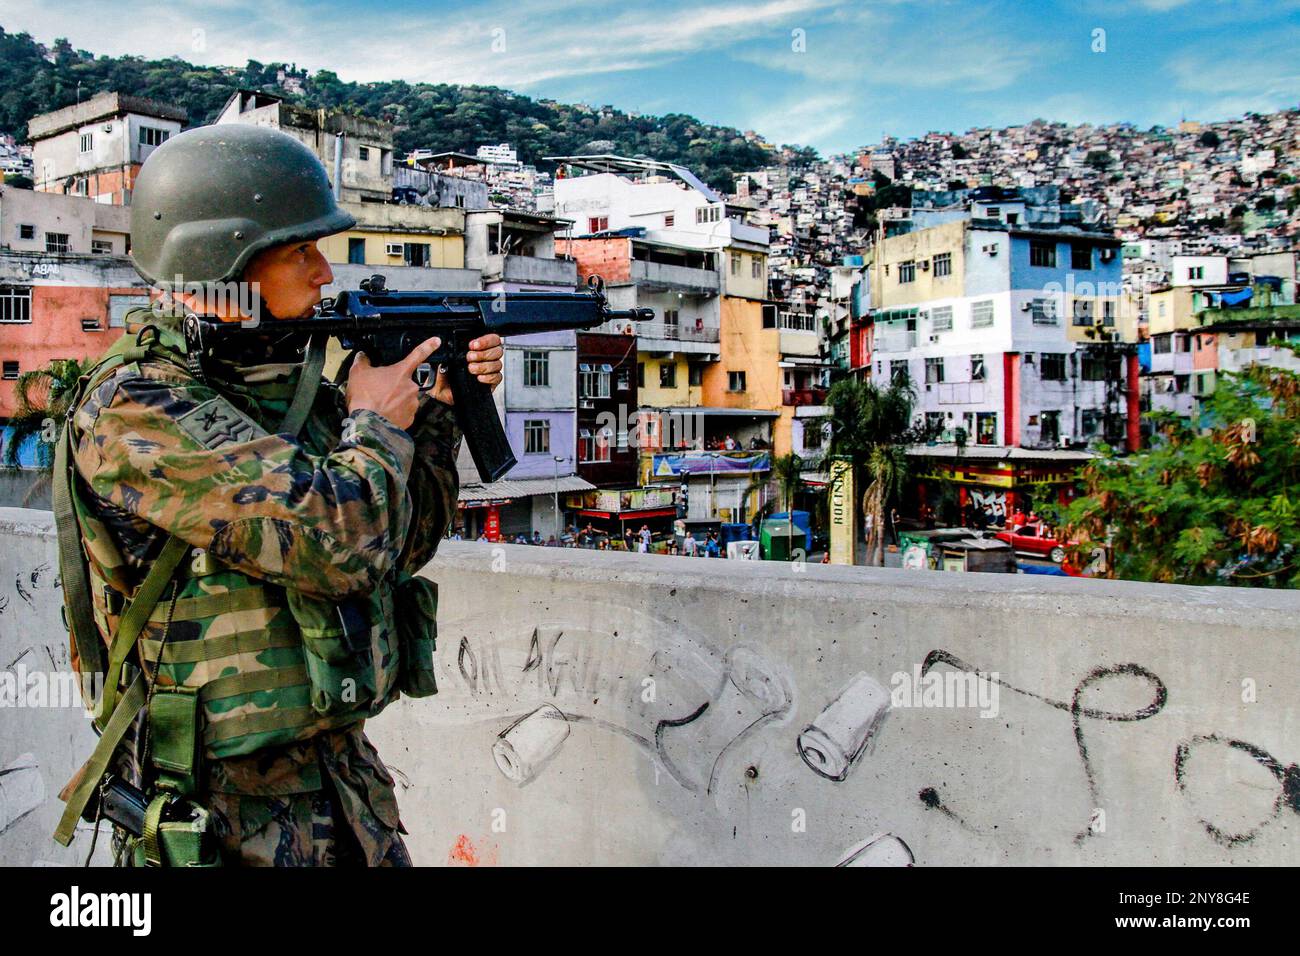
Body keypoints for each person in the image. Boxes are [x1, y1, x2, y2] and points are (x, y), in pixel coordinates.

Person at [52, 124, 504, 867]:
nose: (325, 272)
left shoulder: (285, 392)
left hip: (347, 802)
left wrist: (434, 414)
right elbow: (340, 547)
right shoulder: (138, 411)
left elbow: (396, 546)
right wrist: (373, 423)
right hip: (220, 827)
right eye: (301, 251)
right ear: (220, 262)